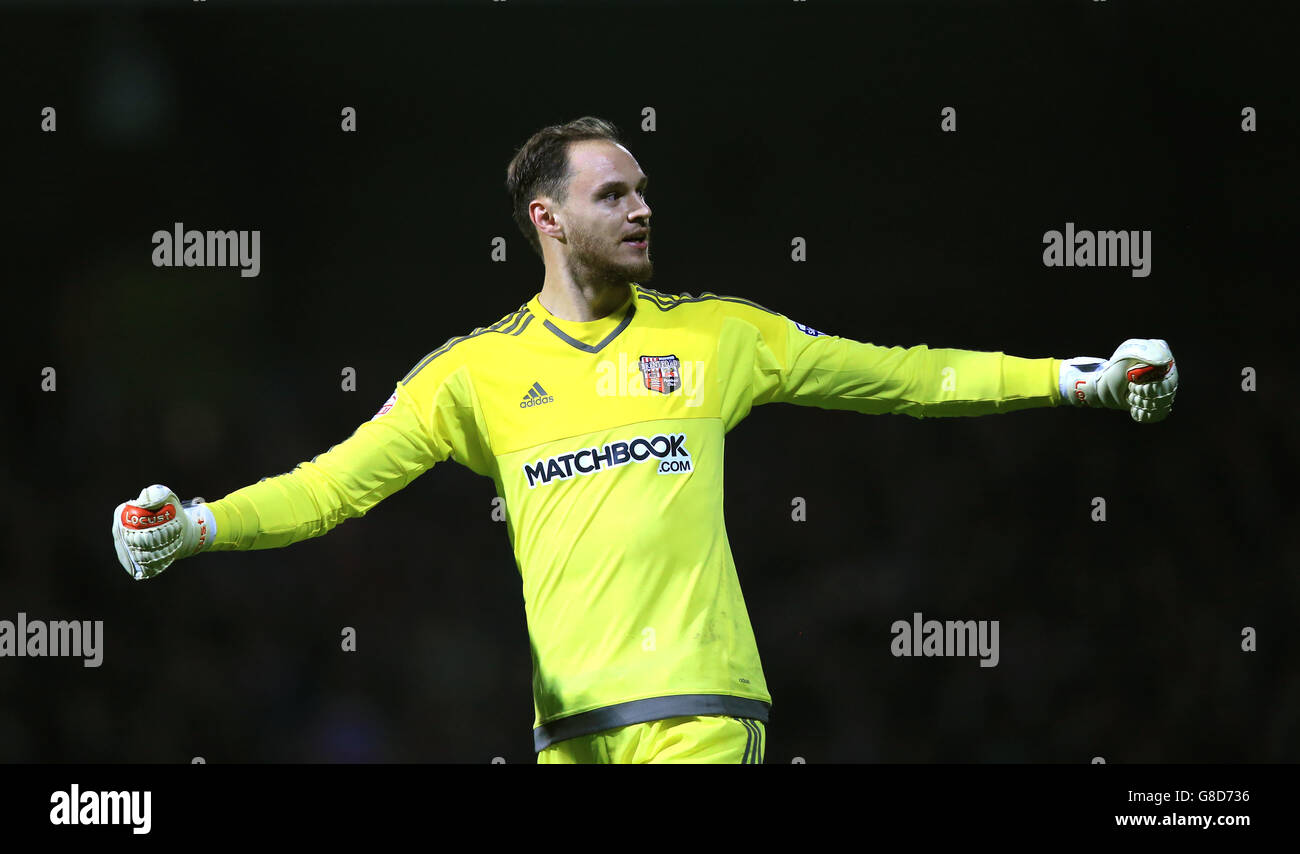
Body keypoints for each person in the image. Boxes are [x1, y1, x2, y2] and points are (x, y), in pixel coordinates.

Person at [111, 116, 1179, 764]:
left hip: (699, 710)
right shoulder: (471, 372)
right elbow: (330, 486)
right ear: (544, 217)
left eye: (644, 190)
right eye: (611, 192)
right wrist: (198, 525)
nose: (640, 208)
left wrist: (1076, 378)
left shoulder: (718, 336)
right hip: (569, 728)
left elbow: (902, 375)